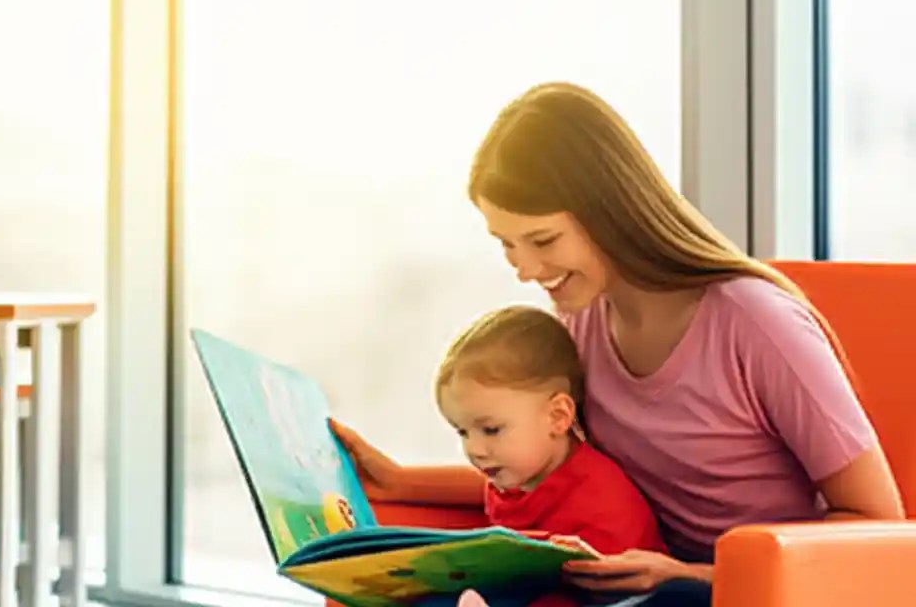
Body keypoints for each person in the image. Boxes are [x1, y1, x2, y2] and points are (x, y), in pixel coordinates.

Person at [333, 81, 904, 606]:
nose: (526, 269)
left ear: (610, 210)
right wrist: (401, 481)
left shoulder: (755, 323)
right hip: (636, 581)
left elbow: (879, 526)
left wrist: (687, 575)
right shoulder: (578, 322)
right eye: (507, 245)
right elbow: (549, 468)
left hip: (733, 592)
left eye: (543, 240)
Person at [351, 306, 664, 607]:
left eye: (490, 430)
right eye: (462, 432)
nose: (473, 449)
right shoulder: (523, 469)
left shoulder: (601, 506)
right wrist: (397, 481)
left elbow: (607, 592)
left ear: (557, 416)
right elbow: (486, 493)